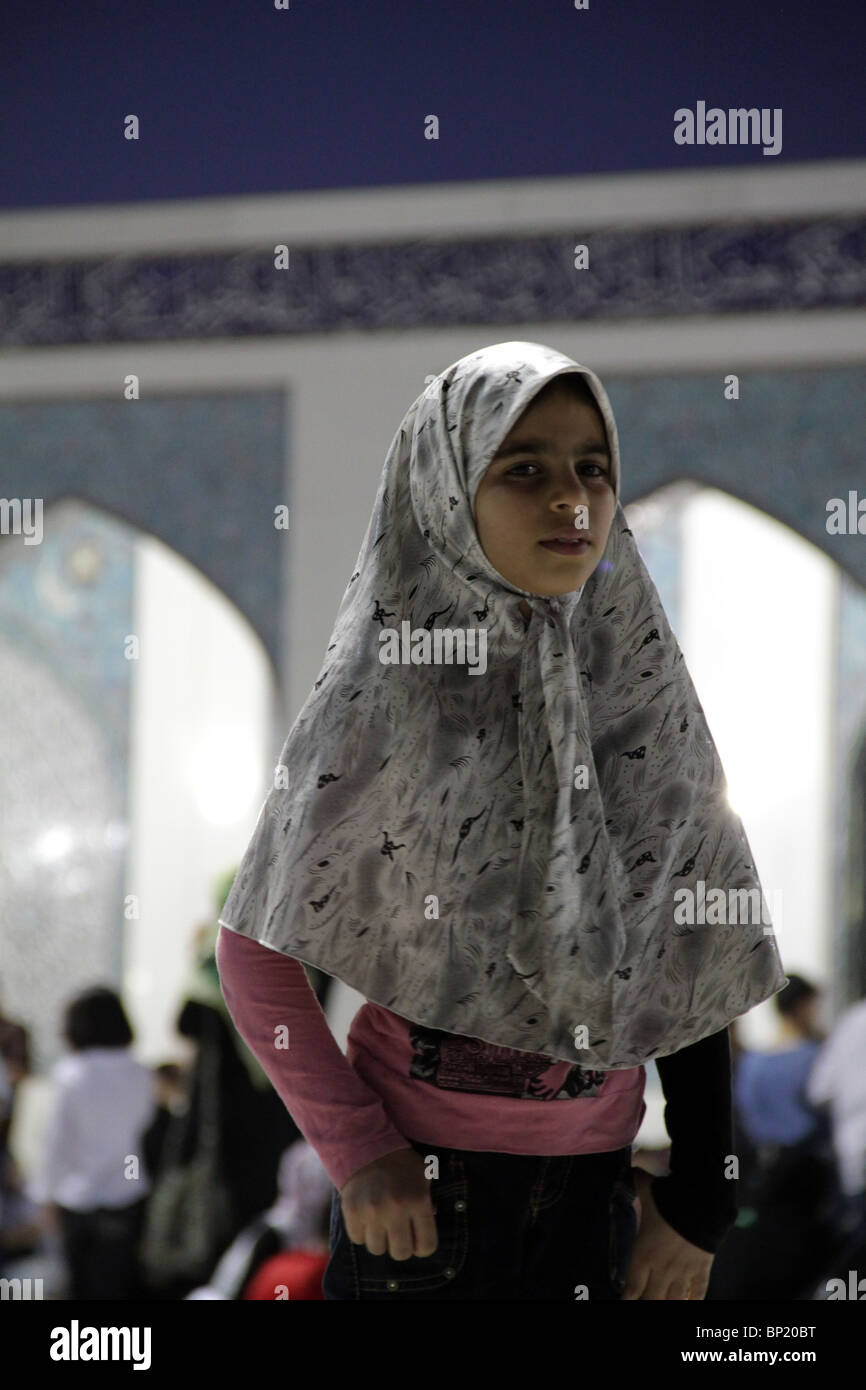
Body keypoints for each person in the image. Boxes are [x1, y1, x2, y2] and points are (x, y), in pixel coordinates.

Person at [216, 340, 788, 1301]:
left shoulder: (636, 693)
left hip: (598, 1208)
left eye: (592, 469)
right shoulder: (385, 697)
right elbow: (257, 958)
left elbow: (685, 953)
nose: (572, 501)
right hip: (423, 1214)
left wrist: (698, 1203)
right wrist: (359, 1154)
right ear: (446, 489)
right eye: (523, 469)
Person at [27, 986, 155, 1300]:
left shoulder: (72, 1074)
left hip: (79, 1197)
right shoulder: (140, 1073)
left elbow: (58, 1141)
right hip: (127, 1192)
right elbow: (140, 1133)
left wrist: (45, 1194)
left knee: (80, 1287)